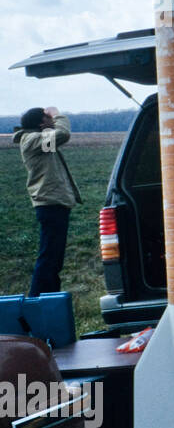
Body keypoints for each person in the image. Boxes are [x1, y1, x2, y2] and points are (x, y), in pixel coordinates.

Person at [14, 106, 82, 296]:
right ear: (41, 122)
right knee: (48, 258)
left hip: (54, 204)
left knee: (53, 258)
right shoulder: (32, 140)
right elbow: (63, 134)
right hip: (50, 204)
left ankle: (50, 298)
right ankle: (37, 301)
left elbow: (56, 137)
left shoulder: (41, 142)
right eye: (48, 117)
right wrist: (58, 114)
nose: (51, 119)